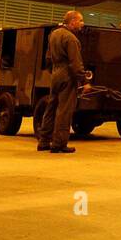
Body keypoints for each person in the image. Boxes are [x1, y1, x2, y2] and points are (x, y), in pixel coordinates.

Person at [38, 10, 86, 154]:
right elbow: (75, 63)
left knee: (51, 107)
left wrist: (54, 72)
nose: (82, 24)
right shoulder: (71, 39)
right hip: (67, 75)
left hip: (55, 73)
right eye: (80, 20)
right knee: (64, 110)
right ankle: (59, 144)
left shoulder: (54, 34)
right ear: (72, 22)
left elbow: (48, 58)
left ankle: (44, 141)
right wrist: (84, 80)